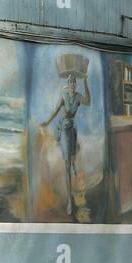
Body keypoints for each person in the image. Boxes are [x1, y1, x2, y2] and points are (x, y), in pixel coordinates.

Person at [39, 73, 92, 217]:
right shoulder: (64, 95)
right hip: (64, 130)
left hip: (72, 130)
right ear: (67, 84)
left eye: (74, 82)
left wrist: (85, 82)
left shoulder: (78, 96)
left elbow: (88, 101)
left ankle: (77, 190)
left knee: (73, 161)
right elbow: (56, 110)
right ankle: (70, 200)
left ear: (76, 84)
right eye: (70, 82)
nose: (72, 84)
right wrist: (47, 122)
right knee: (68, 164)